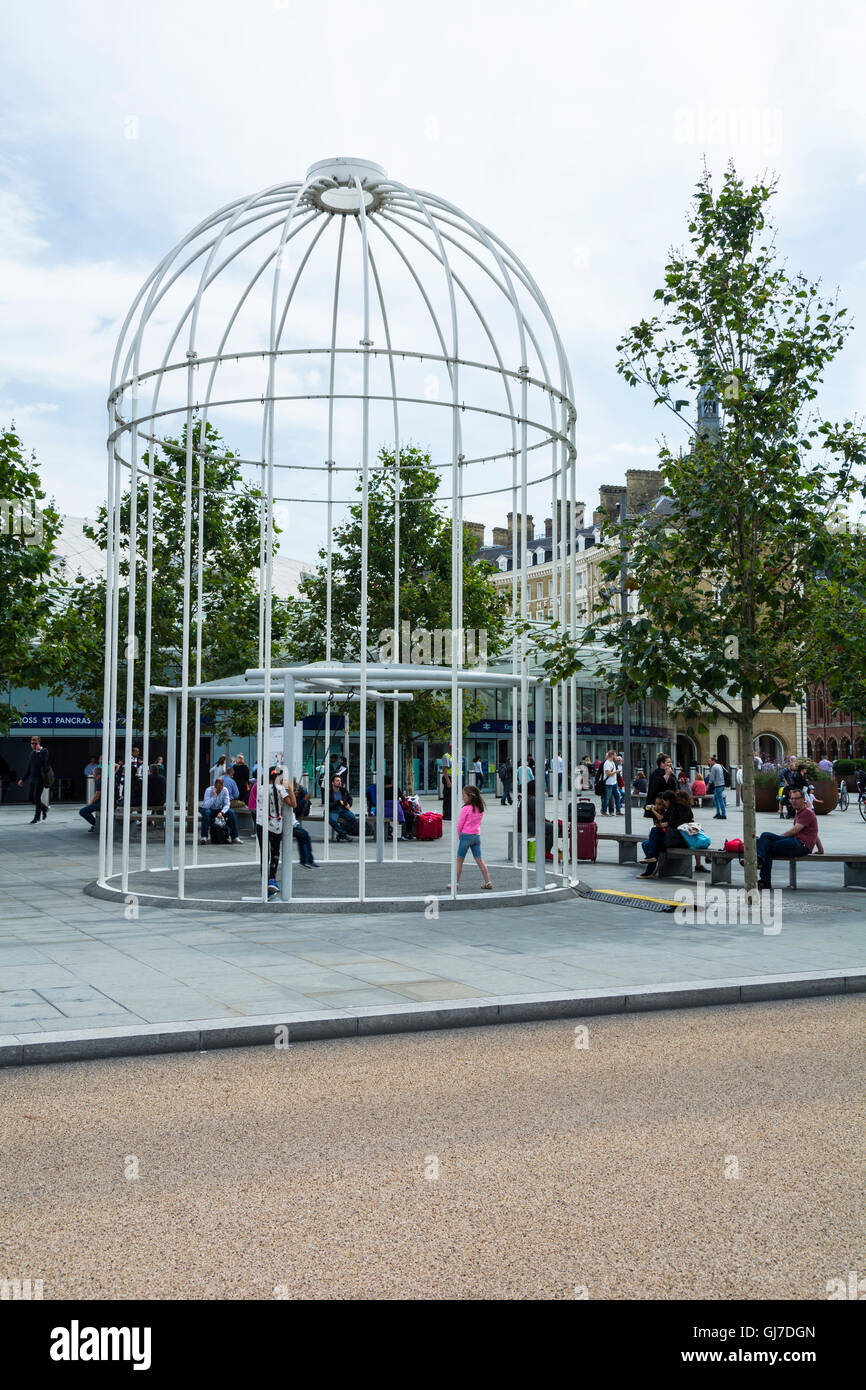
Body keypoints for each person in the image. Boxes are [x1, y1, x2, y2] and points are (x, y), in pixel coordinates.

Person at [756, 787, 823, 889]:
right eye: (792, 799)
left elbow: (794, 831)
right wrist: (820, 849)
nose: (793, 801)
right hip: (796, 842)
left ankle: (763, 873)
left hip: (801, 845)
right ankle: (763, 875)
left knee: (766, 843)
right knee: (765, 837)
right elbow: (815, 832)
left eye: (796, 799)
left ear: (803, 799)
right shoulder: (799, 813)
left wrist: (778, 837)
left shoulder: (807, 812)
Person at [448, 784, 493, 891]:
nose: (462, 797)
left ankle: (455, 883)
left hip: (465, 836)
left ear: (469, 796)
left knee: (459, 860)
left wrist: (460, 835)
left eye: (464, 795)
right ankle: (488, 881)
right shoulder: (479, 808)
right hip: (476, 836)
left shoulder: (466, 809)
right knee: (480, 860)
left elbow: (460, 824)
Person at [256, 767, 290, 896]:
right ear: (277, 777)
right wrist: (289, 788)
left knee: (264, 855)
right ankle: (272, 879)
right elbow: (293, 804)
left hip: (261, 824)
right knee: (275, 852)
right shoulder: (281, 789)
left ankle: (265, 885)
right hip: (276, 826)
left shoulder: (259, 789)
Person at [17, 736, 51, 823]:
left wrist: (38, 751)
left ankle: (37, 818)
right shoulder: (32, 753)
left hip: (40, 778)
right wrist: (23, 779)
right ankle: (45, 808)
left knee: (36, 797)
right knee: (31, 798)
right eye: (31, 743)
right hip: (32, 778)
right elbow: (29, 768)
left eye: (34, 743)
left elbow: (45, 762)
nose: (32, 745)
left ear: (39, 743)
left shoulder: (44, 751)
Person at [200, 777, 240, 844]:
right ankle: (204, 836)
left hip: (219, 809)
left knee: (231, 813)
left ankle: (234, 837)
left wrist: (222, 812)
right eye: (218, 789)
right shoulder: (208, 790)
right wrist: (214, 796)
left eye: (221, 788)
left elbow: (227, 804)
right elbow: (205, 805)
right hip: (210, 809)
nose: (220, 790)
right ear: (215, 786)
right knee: (206, 812)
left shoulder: (225, 790)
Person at [329, 775, 357, 841]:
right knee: (332, 820)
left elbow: (350, 799)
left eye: (340, 781)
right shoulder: (328, 792)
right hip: (333, 809)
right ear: (333, 782)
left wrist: (349, 804)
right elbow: (328, 805)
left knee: (353, 818)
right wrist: (338, 802)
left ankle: (341, 834)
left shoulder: (343, 790)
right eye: (337, 781)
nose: (339, 782)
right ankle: (344, 835)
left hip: (343, 809)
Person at [78, 766, 103, 832]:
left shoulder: (100, 781)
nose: (93, 775)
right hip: (104, 802)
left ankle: (96, 825)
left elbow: (97, 796)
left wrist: (90, 804)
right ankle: (96, 824)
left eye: (93, 773)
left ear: (98, 775)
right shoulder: (102, 780)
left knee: (82, 811)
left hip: (102, 803)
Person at [706, 755, 727, 820]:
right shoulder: (719, 765)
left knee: (720, 800)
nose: (709, 762)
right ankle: (718, 813)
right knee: (716, 798)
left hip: (718, 785)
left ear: (713, 761)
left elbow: (711, 778)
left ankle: (723, 814)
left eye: (710, 761)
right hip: (721, 785)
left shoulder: (714, 767)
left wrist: (708, 785)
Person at [600, 749, 619, 817]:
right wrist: (615, 772)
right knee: (607, 798)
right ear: (612, 755)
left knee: (617, 796)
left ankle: (618, 810)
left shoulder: (613, 762)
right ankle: (603, 810)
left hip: (614, 783)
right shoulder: (607, 763)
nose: (616, 756)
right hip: (608, 783)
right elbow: (607, 773)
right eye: (615, 754)